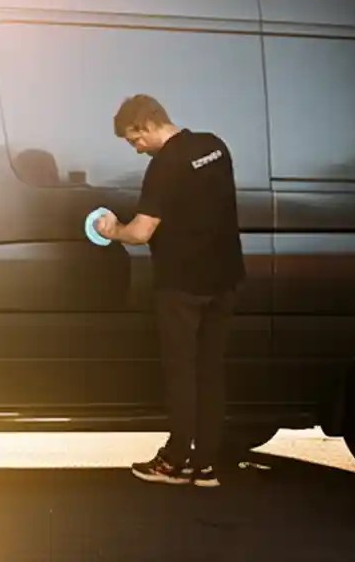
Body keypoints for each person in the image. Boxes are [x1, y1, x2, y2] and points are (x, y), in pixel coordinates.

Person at [94, 94, 245, 488]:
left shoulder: (165, 165)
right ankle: (206, 465)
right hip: (224, 279)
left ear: (145, 125)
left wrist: (111, 231)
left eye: (133, 140)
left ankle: (174, 461)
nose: (136, 149)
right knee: (211, 372)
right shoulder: (214, 147)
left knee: (182, 374)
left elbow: (141, 232)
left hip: (182, 285)